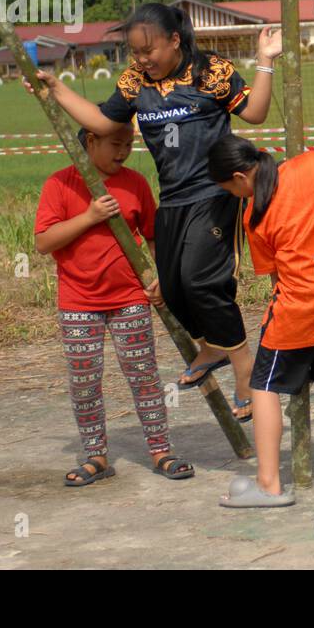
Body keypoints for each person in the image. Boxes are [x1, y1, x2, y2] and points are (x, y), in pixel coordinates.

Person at [25, 3, 281, 421]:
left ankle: (243, 370)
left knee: (201, 280)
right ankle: (211, 346)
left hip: (214, 195)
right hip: (173, 199)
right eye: (135, 52)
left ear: (175, 41)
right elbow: (103, 123)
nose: (143, 59)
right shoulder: (134, 83)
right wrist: (55, 88)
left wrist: (265, 62)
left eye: (150, 50)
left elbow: (254, 113)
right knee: (172, 288)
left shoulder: (210, 71)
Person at [207, 135, 314, 507]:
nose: (235, 197)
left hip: (300, 307)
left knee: (262, 386)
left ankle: (268, 484)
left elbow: (276, 277)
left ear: (239, 176)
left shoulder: (255, 214)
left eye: (230, 189)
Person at [34, 125, 193, 486]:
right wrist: (90, 216)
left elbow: (153, 237)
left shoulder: (135, 183)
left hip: (129, 298)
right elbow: (44, 242)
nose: (122, 152)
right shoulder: (59, 185)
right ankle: (96, 456)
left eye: (128, 145)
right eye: (115, 144)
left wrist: (161, 277)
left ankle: (161, 450)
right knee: (85, 381)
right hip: (78, 301)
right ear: (90, 141)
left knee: (144, 376)